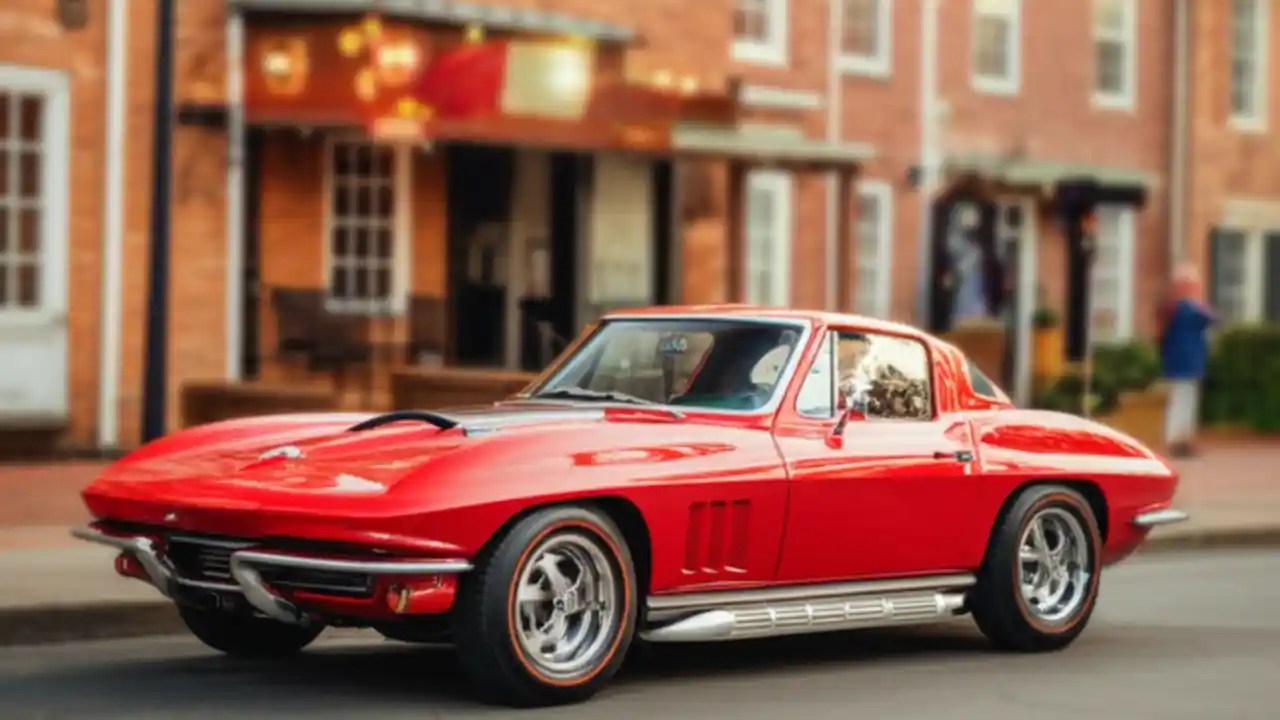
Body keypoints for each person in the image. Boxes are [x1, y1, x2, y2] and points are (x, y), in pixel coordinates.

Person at [1159, 266, 1217, 457]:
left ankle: (1182, 439)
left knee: (1185, 401)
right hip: (1185, 361)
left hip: (1184, 360)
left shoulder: (1175, 307)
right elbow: (1212, 318)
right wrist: (1200, 301)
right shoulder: (1186, 308)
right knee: (1182, 401)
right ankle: (1177, 440)